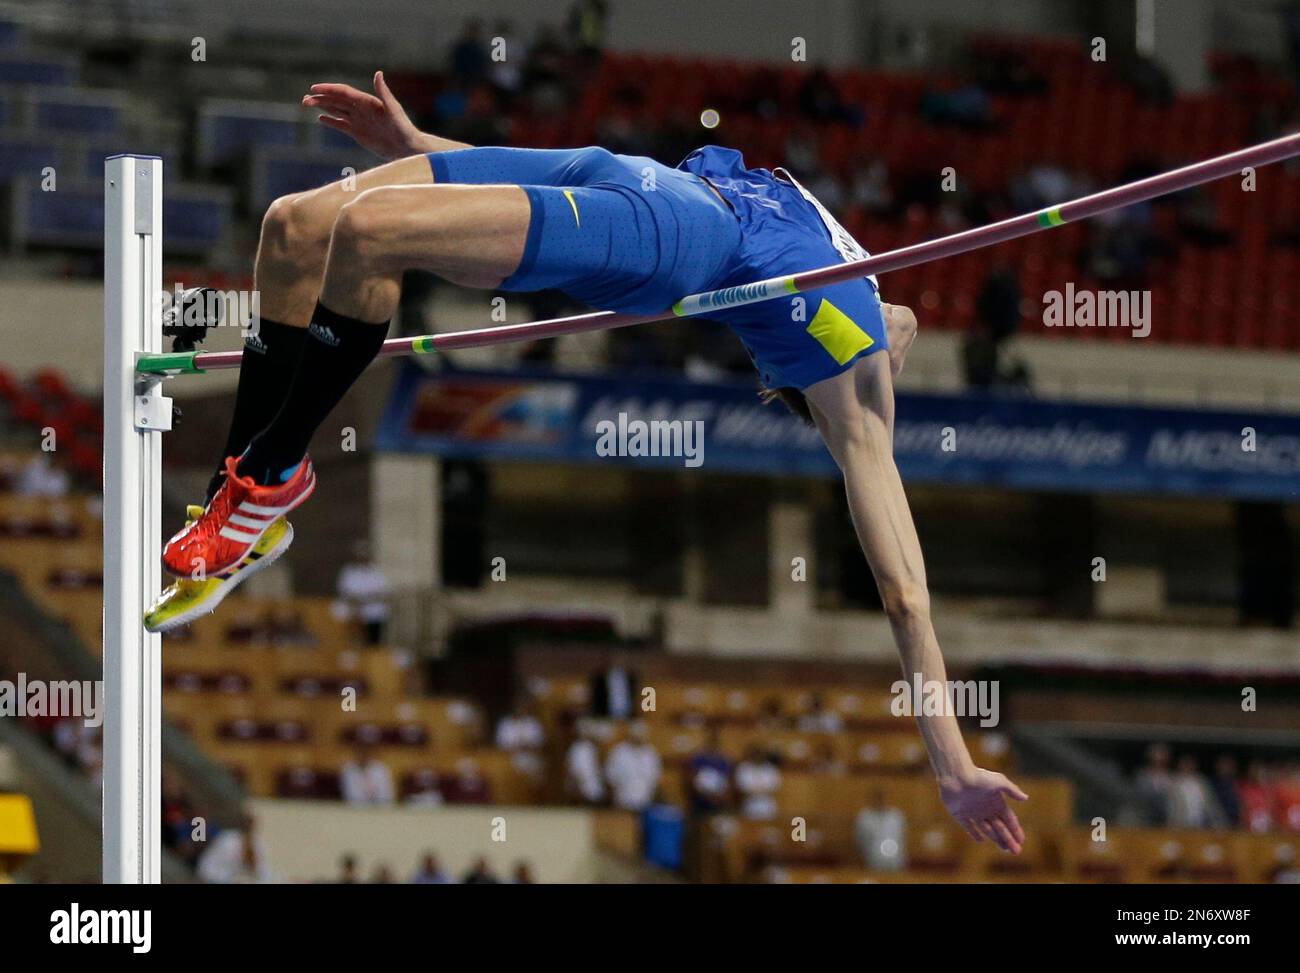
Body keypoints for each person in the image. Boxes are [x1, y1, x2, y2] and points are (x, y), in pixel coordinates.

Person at [154, 71, 1025, 852]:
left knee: (370, 231)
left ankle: (272, 477)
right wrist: (427, 147)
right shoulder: (878, 302)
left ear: (779, 379)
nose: (901, 346)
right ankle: (238, 502)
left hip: (668, 234)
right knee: (295, 225)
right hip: (624, 170)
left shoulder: (853, 396)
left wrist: (951, 765)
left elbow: (907, 596)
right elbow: (903, 322)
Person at [604, 721, 662, 811]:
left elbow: (655, 775)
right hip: (623, 798)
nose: (638, 738)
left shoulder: (651, 753)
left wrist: (650, 792)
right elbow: (610, 774)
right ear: (631, 735)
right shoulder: (619, 751)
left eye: (641, 735)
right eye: (636, 735)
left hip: (645, 798)